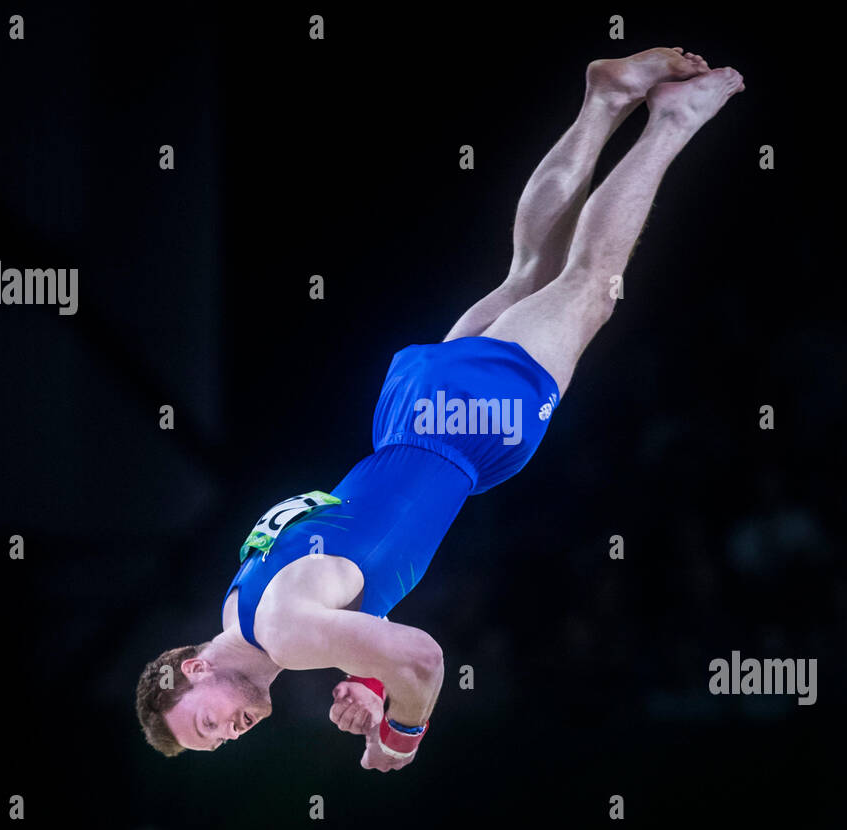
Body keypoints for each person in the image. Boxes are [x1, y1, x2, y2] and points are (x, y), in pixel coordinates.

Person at [135, 47, 744, 771]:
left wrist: (399, 735)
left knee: (592, 282)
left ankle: (671, 121)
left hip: (461, 434)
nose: (229, 732)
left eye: (206, 726)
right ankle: (604, 101)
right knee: (531, 272)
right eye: (219, 740)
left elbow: (423, 659)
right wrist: (365, 673)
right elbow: (354, 553)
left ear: (193, 670)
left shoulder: (286, 632)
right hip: (408, 419)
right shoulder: (246, 603)